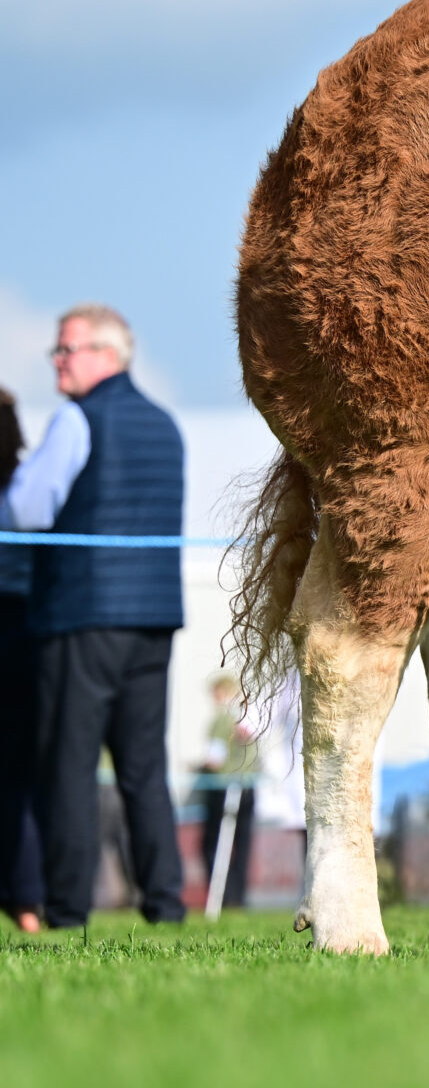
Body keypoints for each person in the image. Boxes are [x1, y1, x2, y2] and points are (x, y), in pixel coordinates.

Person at [1, 306, 184, 927]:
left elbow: (25, 512)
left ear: (106, 355)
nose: (57, 359)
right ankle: (165, 904)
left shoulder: (76, 419)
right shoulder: (166, 426)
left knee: (70, 766)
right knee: (144, 770)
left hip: (80, 617)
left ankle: (69, 909)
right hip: (155, 618)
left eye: (67, 349)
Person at [0, 387, 44, 933]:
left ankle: (28, 900)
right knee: (18, 775)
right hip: (25, 631)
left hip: (11, 625)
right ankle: (28, 903)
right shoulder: (30, 488)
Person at [197, 673, 258, 910]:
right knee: (242, 845)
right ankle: (238, 898)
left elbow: (214, 759)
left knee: (212, 844)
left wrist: (197, 767)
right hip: (249, 785)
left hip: (223, 787)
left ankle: (221, 897)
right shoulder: (249, 719)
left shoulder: (221, 721)